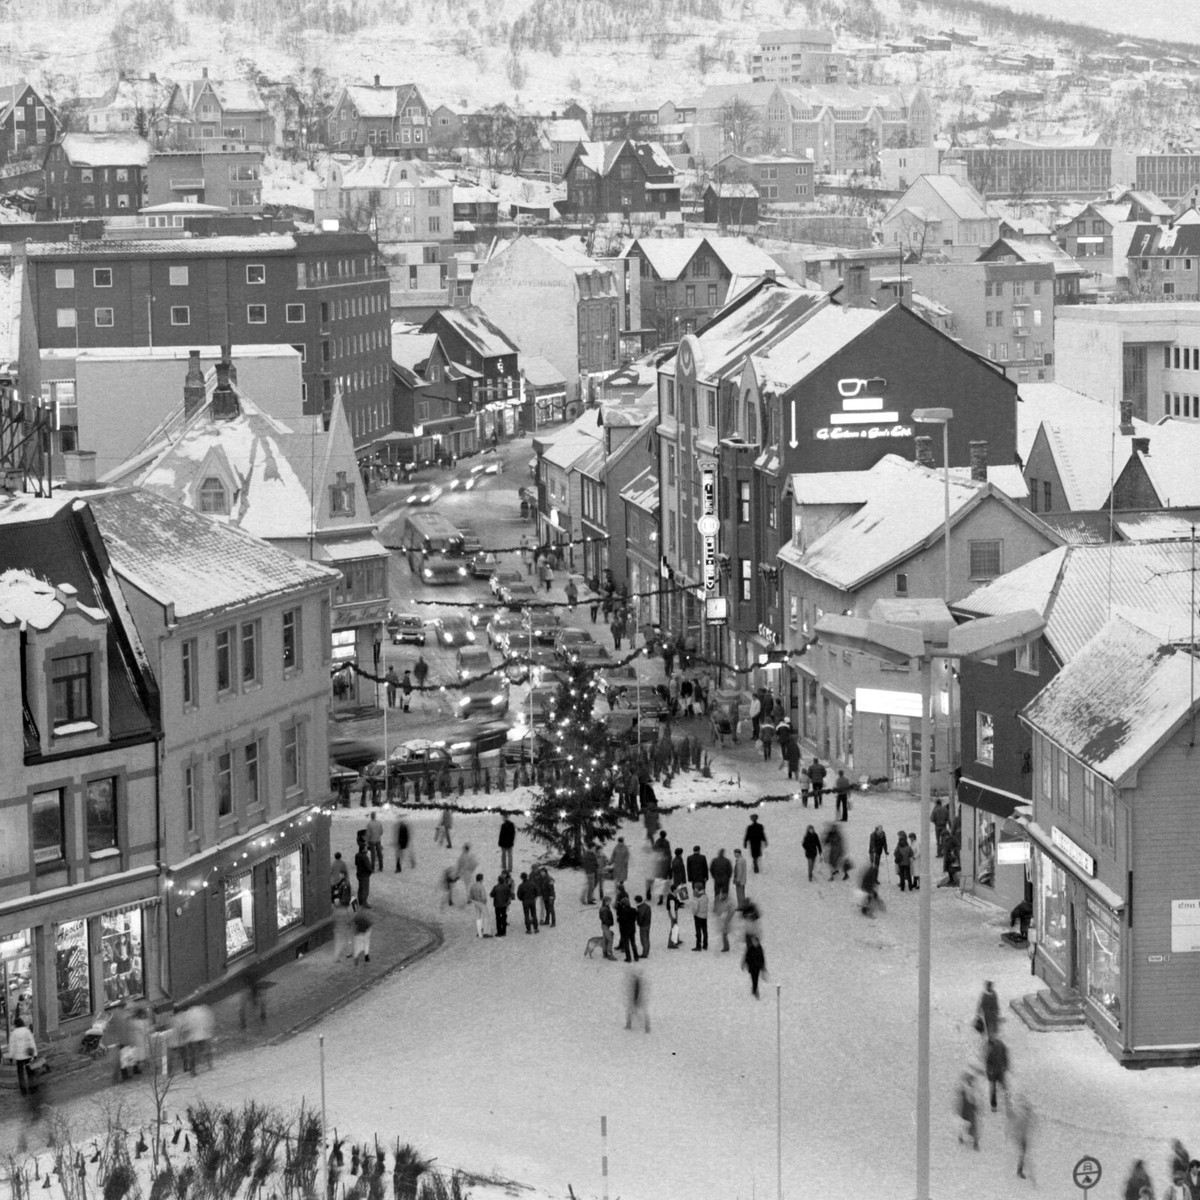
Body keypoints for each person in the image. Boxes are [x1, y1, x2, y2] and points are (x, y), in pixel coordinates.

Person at [9, 1016, 36, 1096]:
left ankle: (23, 1090)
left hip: (19, 1057)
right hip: (27, 1055)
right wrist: (35, 1054)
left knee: (20, 1074)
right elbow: (32, 1042)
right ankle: (32, 1088)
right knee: (30, 1072)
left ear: (15, 1024)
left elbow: (12, 1046)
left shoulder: (13, 1033)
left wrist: (11, 1056)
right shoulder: (27, 1031)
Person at [985, 1035, 1010, 1113]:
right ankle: (1007, 1101)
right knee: (1003, 1086)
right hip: (999, 1070)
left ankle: (994, 1106)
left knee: (994, 1088)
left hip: (994, 1071)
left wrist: (988, 1072)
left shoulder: (991, 1049)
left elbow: (988, 1062)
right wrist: (1006, 1066)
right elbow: (1005, 1056)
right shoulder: (1001, 1045)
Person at [956, 1072, 980, 1150]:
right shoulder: (967, 1089)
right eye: (971, 1080)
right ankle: (974, 1143)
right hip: (968, 1109)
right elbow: (971, 1100)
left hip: (968, 1109)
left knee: (968, 1125)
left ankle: (972, 1142)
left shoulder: (967, 1089)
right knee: (970, 1125)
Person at [625, 969, 650, 1033]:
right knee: (631, 1010)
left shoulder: (638, 982)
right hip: (638, 998)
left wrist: (637, 999)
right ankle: (646, 1027)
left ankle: (646, 1027)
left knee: (632, 1010)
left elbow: (637, 991)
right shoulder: (639, 981)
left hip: (639, 998)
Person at [616, 894, 639, 962]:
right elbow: (635, 918)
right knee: (633, 943)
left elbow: (619, 920)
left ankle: (628, 958)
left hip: (624, 930)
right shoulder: (634, 910)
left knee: (626, 944)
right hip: (632, 929)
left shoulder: (622, 911)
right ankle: (636, 956)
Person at [332, 889, 355, 959]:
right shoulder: (345, 910)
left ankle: (336, 956)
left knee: (338, 942)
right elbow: (349, 919)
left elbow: (334, 919)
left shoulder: (335, 911)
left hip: (338, 929)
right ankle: (348, 952)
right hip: (345, 928)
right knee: (348, 940)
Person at [491, 872, 512, 937]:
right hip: (504, 904)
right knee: (504, 917)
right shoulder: (506, 887)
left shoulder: (496, 887)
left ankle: (499, 932)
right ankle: (504, 931)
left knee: (498, 918)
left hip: (497, 905)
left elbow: (491, 894)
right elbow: (510, 894)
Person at [354, 837, 373, 908]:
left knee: (360, 888)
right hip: (365, 875)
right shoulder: (365, 857)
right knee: (365, 890)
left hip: (359, 874)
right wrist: (370, 870)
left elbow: (356, 863)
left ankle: (360, 901)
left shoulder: (357, 855)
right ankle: (364, 902)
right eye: (366, 848)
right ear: (363, 849)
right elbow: (369, 867)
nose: (367, 849)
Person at [469, 873, 489, 938]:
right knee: (486, 916)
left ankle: (479, 932)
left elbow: (470, 896)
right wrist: (484, 902)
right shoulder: (481, 886)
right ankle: (486, 932)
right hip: (481, 902)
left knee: (478, 917)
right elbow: (483, 897)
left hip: (475, 902)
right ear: (481, 879)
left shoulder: (473, 886)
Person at [690, 882, 709, 951]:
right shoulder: (705, 896)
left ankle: (698, 945)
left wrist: (694, 913)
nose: (694, 889)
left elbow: (695, 908)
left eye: (695, 888)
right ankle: (705, 944)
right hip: (704, 916)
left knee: (698, 931)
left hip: (698, 916)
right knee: (705, 930)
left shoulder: (696, 898)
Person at [635, 894, 652, 959]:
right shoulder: (647, 906)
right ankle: (647, 951)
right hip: (648, 924)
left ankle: (644, 953)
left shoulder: (640, 908)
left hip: (643, 925)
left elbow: (640, 917)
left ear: (637, 901)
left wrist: (639, 923)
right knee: (647, 938)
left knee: (643, 939)